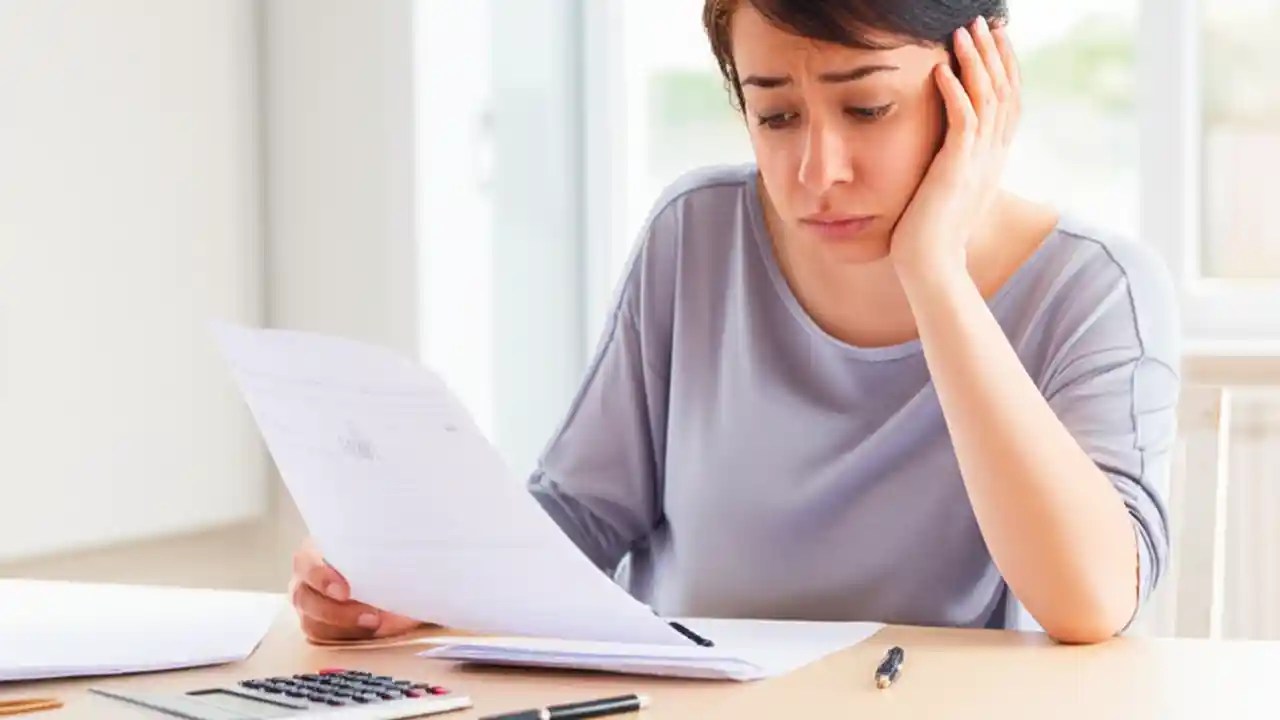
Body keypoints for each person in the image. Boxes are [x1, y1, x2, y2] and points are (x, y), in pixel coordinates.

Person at [290, 0, 1179, 645]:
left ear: (980, 88)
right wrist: (421, 579)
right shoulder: (699, 233)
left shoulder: (1092, 289)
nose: (814, 170)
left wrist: (933, 270)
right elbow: (583, 515)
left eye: (867, 107)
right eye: (775, 114)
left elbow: (1092, 601)